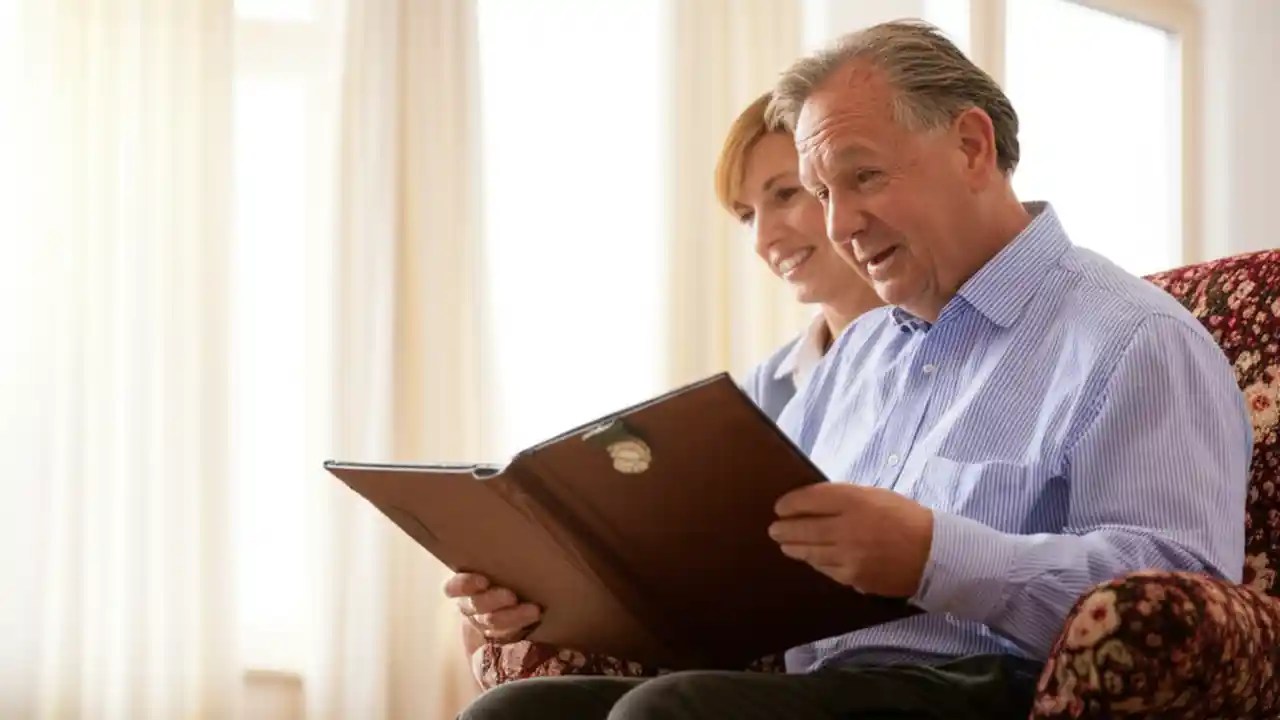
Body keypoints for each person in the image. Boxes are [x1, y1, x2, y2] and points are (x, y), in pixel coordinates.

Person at [456, 20, 1251, 719]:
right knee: (519, 710)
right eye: (822, 192)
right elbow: (738, 564)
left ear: (972, 147)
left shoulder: (1134, 340)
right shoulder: (859, 356)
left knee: (677, 711)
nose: (839, 225)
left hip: (995, 689)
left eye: (863, 176)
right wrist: (561, 595)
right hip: (822, 690)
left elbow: (1173, 604)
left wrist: (936, 557)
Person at [446, 91, 884, 687]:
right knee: (495, 623)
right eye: (747, 215)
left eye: (784, 194)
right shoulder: (764, 388)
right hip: (725, 623)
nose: (764, 238)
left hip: (822, 643)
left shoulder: (924, 357)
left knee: (532, 665)